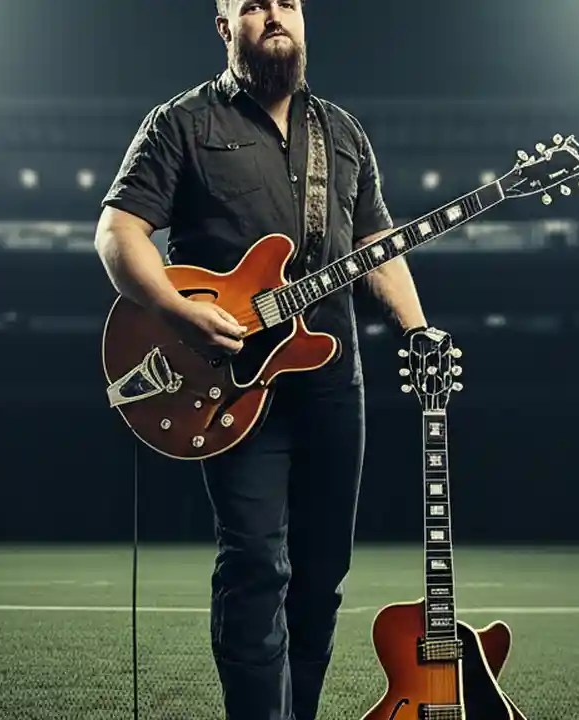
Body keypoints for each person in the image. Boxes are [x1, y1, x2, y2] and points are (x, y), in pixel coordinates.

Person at [94, 1, 443, 717]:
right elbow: (118, 231)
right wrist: (175, 309)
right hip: (230, 387)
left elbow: (378, 245)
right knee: (257, 567)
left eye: (286, 2)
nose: (273, 14)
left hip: (331, 387)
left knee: (322, 578)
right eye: (252, 5)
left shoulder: (341, 133)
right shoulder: (183, 123)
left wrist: (417, 328)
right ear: (225, 27)